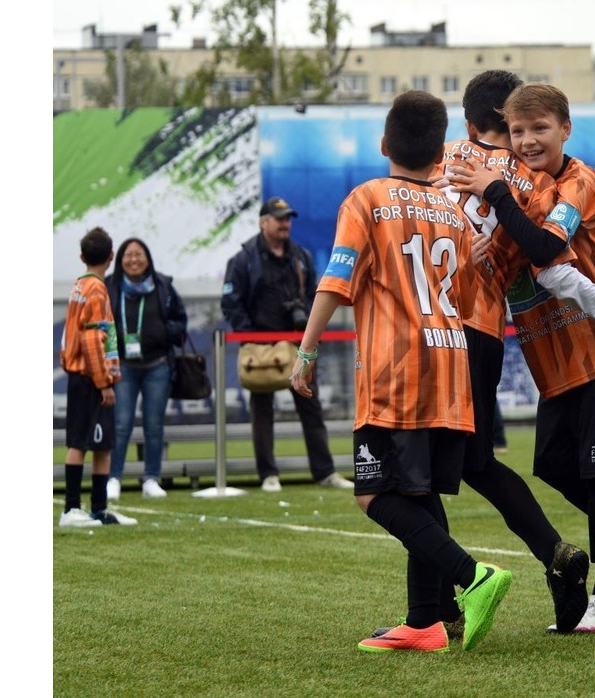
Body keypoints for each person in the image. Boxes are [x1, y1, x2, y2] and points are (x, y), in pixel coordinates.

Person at [447, 83, 595, 632]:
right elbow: (510, 253)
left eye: (540, 129)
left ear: (566, 129)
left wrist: (495, 192)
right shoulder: (521, 190)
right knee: (554, 466)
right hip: (554, 361)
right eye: (518, 131)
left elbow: (547, 249)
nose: (528, 140)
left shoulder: (577, 182)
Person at [290, 90, 512, 654]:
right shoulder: (453, 214)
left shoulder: (366, 199)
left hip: (397, 368)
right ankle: (425, 622)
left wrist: (306, 351)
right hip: (451, 360)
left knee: (373, 494)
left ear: (384, 143)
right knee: (421, 492)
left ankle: (473, 576)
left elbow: (337, 280)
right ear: (440, 155)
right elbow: (464, 297)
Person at [222, 195, 354, 493]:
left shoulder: (300, 256)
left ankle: (325, 472)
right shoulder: (243, 259)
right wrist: (250, 336)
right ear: (263, 222)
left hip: (296, 345)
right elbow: (231, 303)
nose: (285, 224)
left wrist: (305, 325)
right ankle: (268, 474)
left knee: (311, 408)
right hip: (261, 346)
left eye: (287, 219)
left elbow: (313, 296)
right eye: (279, 218)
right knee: (262, 411)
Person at [59, 227, 137, 527]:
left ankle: (99, 509)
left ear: (82, 257)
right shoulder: (96, 289)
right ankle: (71, 509)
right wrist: (104, 382)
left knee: (101, 444)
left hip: (81, 374)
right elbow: (93, 339)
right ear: (112, 256)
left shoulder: (79, 285)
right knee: (81, 443)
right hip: (92, 377)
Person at [105, 238, 188, 500]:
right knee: (121, 424)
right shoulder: (110, 286)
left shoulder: (162, 285)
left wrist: (164, 332)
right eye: (128, 255)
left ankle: (151, 478)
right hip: (123, 367)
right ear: (120, 260)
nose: (134, 260)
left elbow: (180, 320)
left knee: (154, 425)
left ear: (148, 258)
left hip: (157, 366)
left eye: (139, 254)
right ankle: (113, 478)